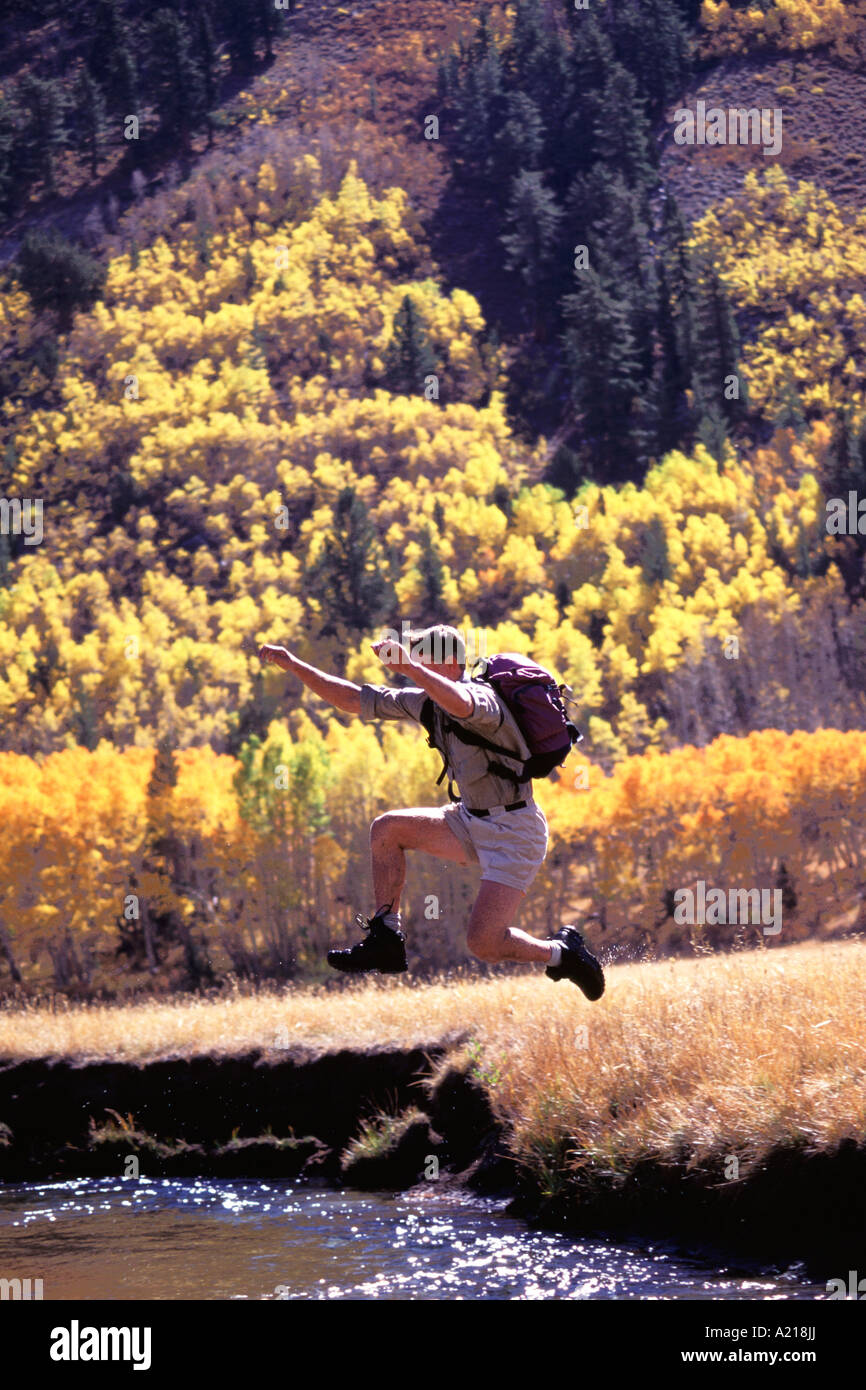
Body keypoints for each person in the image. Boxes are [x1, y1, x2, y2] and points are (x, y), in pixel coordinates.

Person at [258, 624, 604, 999]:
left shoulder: (483, 700)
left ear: (453, 663)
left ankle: (561, 953)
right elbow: (354, 699)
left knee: (484, 944)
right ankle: (386, 937)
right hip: (469, 820)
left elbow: (461, 704)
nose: (419, 671)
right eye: (417, 661)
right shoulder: (427, 701)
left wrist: (408, 668)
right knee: (387, 829)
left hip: (516, 831)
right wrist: (295, 666)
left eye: (427, 662)